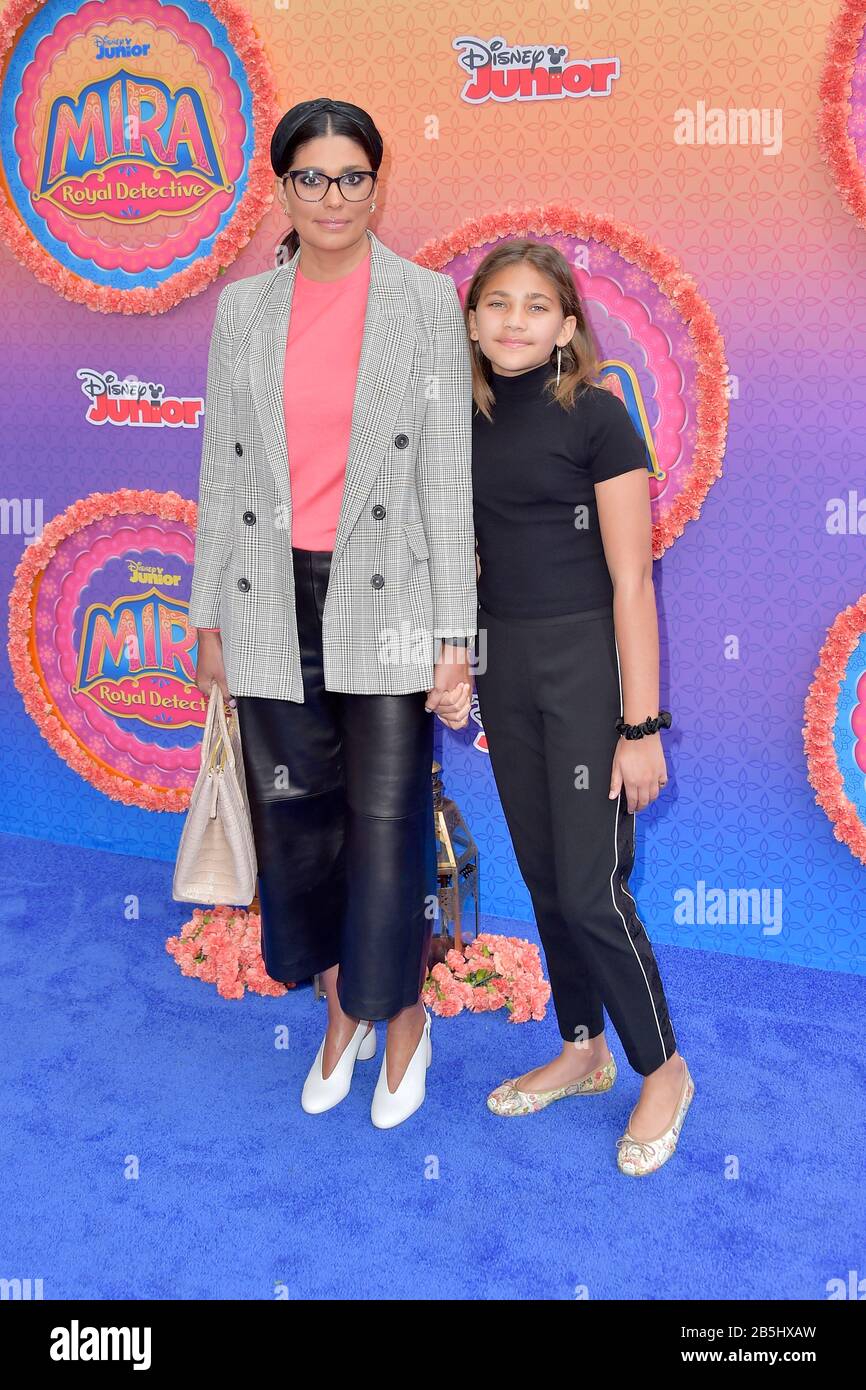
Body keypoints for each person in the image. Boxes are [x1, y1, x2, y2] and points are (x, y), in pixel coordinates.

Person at [188, 97, 476, 1128]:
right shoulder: (241, 313)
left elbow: (444, 482)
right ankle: (338, 1007)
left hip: (387, 597)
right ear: (282, 188)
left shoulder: (423, 302)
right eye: (310, 178)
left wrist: (456, 640)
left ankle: (398, 1015)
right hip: (270, 596)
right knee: (298, 815)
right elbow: (222, 471)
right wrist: (206, 612)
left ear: (378, 182)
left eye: (351, 176)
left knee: (389, 815)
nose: (332, 197)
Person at [463, 238, 695, 1175]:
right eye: (496, 304)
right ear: (472, 319)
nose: (513, 321)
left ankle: (663, 1067)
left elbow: (634, 583)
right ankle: (582, 1044)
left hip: (586, 666)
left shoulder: (598, 418)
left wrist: (639, 727)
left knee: (594, 889)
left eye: (535, 306)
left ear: (567, 327)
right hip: (502, 665)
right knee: (545, 877)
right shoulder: (460, 419)